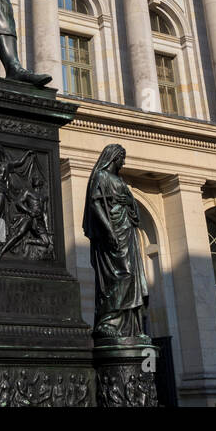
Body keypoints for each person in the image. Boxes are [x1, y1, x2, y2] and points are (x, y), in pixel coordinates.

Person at [82, 143, 149, 339]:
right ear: (114, 157)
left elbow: (131, 205)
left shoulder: (116, 179)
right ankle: (108, 321)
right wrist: (109, 231)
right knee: (121, 275)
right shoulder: (101, 177)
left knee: (132, 275)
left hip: (127, 232)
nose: (124, 161)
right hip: (114, 232)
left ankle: (130, 328)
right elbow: (96, 204)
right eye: (122, 157)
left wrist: (131, 205)